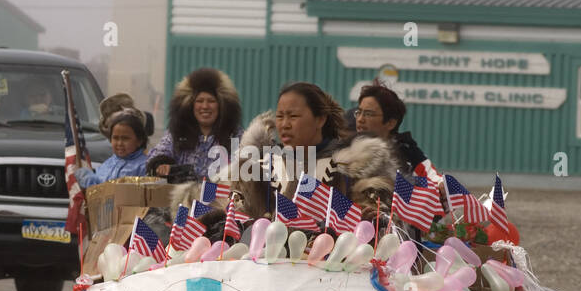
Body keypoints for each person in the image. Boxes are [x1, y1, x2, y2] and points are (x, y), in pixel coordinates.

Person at [234, 81, 398, 221]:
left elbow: (382, 229)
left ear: (320, 119)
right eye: (280, 116)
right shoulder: (260, 168)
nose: (284, 124)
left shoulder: (351, 170)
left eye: (293, 116)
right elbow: (238, 219)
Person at [146, 68, 241, 180]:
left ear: (222, 106)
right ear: (190, 105)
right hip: (182, 195)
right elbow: (159, 152)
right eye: (199, 101)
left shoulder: (235, 136)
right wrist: (162, 165)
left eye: (211, 101)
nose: (205, 106)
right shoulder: (178, 133)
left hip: (219, 194)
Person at [354, 81, 428, 173]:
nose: (360, 119)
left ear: (390, 123)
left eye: (368, 114)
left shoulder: (410, 155)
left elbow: (435, 180)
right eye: (359, 112)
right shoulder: (346, 152)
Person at [76, 108, 150, 187]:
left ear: (139, 141)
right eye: (115, 138)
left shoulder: (144, 166)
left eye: (125, 138)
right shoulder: (108, 163)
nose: (119, 143)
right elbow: (97, 188)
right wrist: (85, 177)